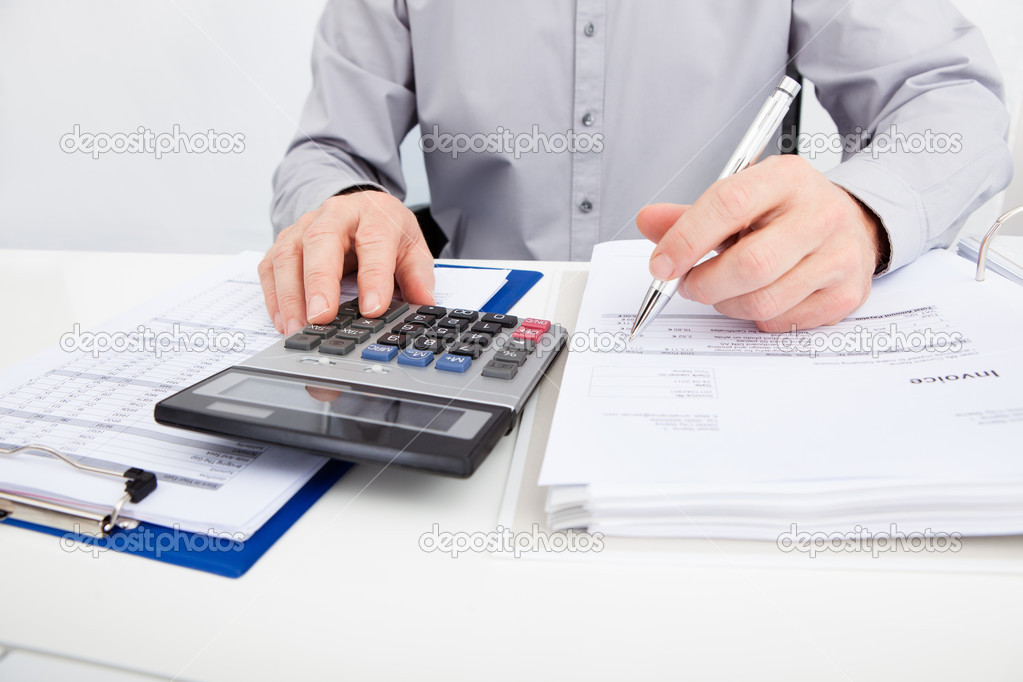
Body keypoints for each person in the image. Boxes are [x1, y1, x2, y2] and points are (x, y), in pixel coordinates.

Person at [260, 1, 1012, 336]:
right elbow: (328, 154)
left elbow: (949, 99)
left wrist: (863, 214)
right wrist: (348, 201)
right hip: (472, 337)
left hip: (726, 335)